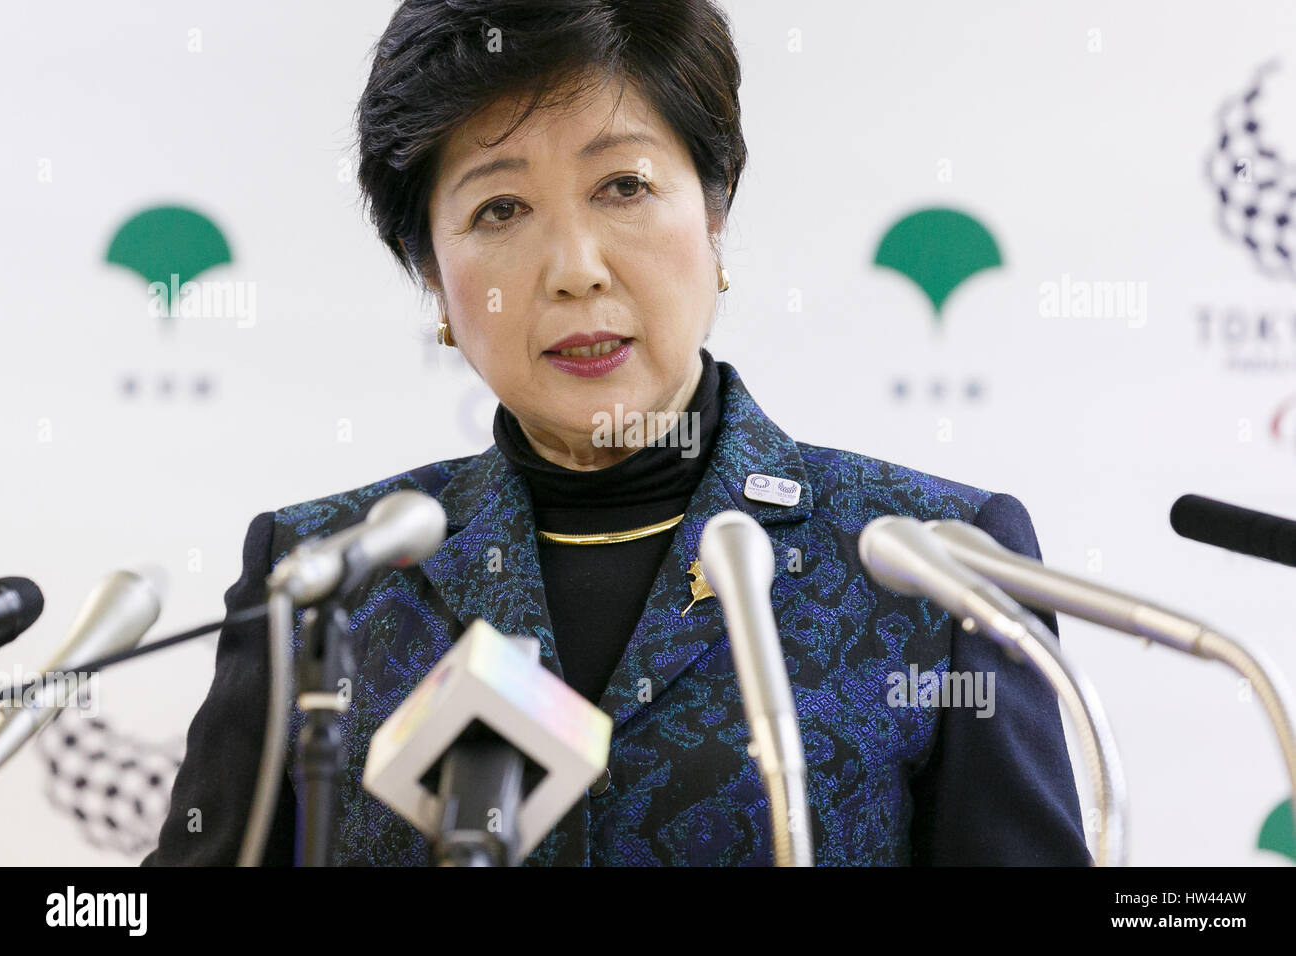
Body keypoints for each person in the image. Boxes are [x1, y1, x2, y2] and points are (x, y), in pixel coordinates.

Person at [144, 0, 1089, 866]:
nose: (574, 268)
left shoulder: (933, 567)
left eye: (624, 186)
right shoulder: (324, 578)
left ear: (715, 213)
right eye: (499, 208)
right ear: (431, 274)